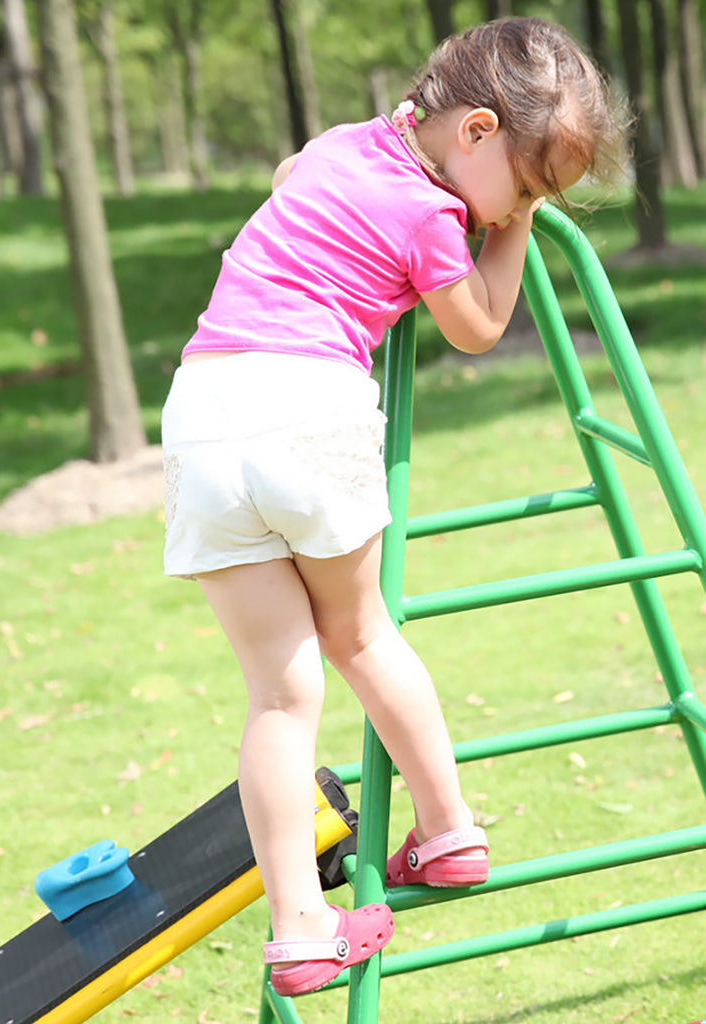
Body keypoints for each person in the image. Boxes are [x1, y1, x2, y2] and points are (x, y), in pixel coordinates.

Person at [161, 17, 628, 998]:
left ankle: (298, 930)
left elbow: (289, 174)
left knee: (279, 699)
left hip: (203, 418)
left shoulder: (339, 148)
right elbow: (478, 326)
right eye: (531, 181)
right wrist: (515, 230)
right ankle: (450, 827)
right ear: (475, 133)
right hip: (307, 411)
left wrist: (508, 199)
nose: (526, 205)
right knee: (364, 635)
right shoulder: (429, 215)